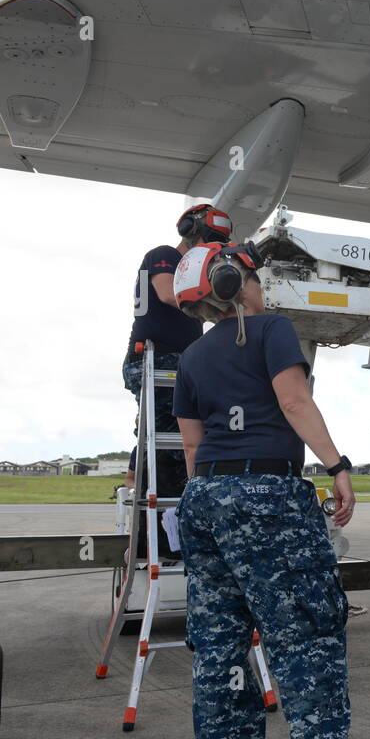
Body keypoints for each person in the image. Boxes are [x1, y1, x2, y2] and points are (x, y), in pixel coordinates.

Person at [171, 239, 370, 739]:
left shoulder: (192, 359)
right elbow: (294, 401)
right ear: (234, 281)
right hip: (268, 493)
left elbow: (193, 446)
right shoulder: (271, 330)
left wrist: (214, 505)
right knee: (305, 633)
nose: (262, 284)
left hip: (204, 498)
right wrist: (338, 466)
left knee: (220, 638)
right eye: (255, 274)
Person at [122, 204, 234, 512]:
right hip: (154, 360)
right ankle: (157, 527)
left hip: (180, 363)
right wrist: (227, 310)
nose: (213, 248)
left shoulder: (195, 273)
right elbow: (168, 294)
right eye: (210, 239)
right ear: (190, 232)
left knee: (174, 434)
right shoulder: (166, 256)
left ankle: (166, 515)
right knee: (166, 441)